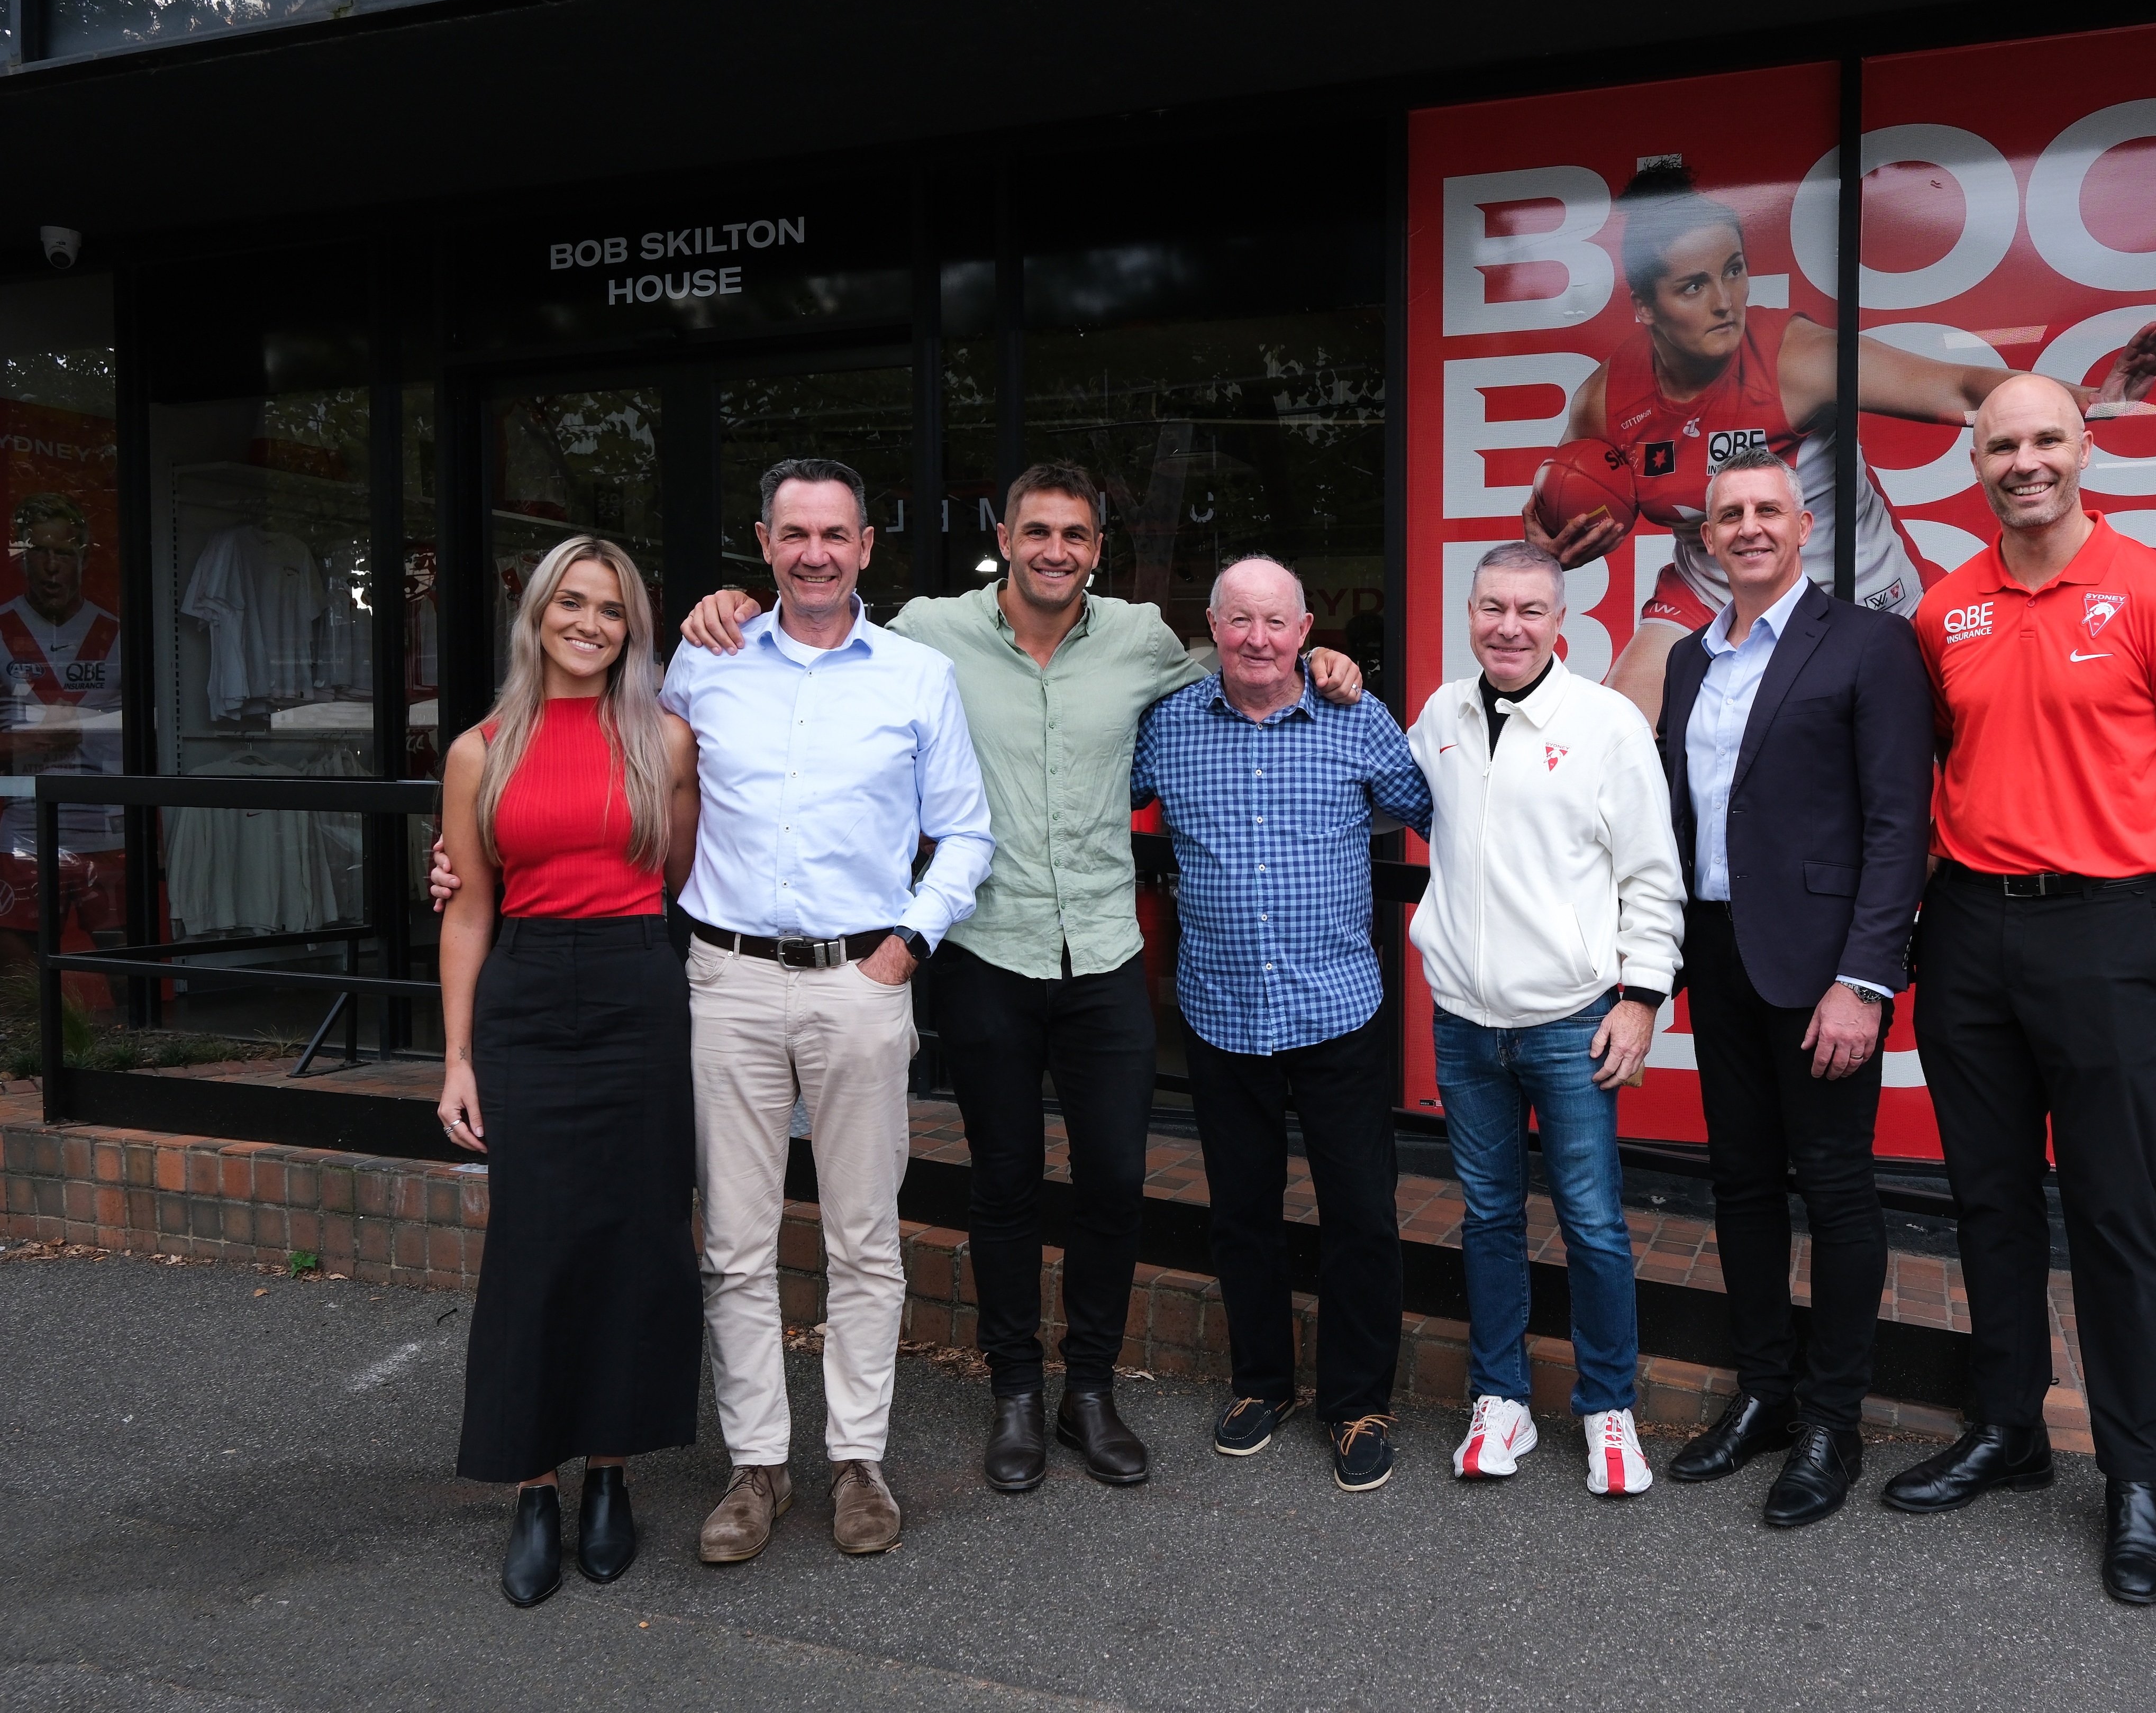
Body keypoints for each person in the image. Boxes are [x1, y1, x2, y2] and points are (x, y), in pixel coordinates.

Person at [676, 463, 1364, 1493]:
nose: (1055, 549)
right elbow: (814, 627)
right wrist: (728, 606)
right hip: (987, 952)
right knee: (1000, 1185)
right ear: (1005, 535)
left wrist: (1323, 664)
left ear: (1098, 546)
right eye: (1036, 530)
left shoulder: (1139, 642)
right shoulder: (928, 631)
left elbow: (1246, 671)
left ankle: (1089, 1389)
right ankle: (1014, 1391)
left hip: (1103, 954)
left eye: (1075, 534)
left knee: (1112, 1183)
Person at [1890, 376, 2156, 1605]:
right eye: (2002, 444)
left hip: (2105, 929)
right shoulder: (1943, 612)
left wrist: (2120, 859)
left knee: (2112, 1212)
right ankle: (2007, 1430)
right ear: (1975, 460)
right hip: (1970, 932)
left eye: (2047, 438)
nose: (2025, 460)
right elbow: (1941, 757)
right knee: (1986, 1202)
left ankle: (2137, 1481)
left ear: (2086, 448)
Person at [1527, 162, 2156, 721]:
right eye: (1694, 286)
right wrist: (1550, 543)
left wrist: (2081, 399)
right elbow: (1571, 503)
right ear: (1644, 306)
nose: (1726, 301)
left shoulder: (1794, 358)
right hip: (1711, 594)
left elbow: (1962, 390)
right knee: (1621, 735)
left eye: (1733, 270)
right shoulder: (1605, 401)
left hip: (1856, 591)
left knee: (1917, 770)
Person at [1652, 449, 1932, 1525]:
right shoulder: (1686, 660)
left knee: (1837, 1187)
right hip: (1717, 955)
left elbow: (1897, 822)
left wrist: (1865, 978)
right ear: (1709, 538)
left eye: (1771, 508)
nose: (1752, 526)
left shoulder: (1867, 643)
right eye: (1732, 513)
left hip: (1821, 969)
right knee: (1739, 1183)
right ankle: (1764, 1392)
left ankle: (1832, 1420)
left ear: (1804, 526)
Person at [436, 536, 702, 1608]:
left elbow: (680, 872)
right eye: (572, 604)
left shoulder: (667, 740)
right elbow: (465, 906)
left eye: (612, 609)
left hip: (640, 989)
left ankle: (610, 1474)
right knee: (535, 1243)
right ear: (537, 611)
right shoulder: (479, 750)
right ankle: (534, 1485)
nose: (590, 624)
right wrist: (455, 1055)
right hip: (527, 999)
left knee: (638, 1236)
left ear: (632, 627)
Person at [1130, 555, 1431, 1492]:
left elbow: (1437, 809)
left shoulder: (1357, 719)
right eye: (1238, 621)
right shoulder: (1170, 728)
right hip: (1221, 1012)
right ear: (1211, 630)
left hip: (1338, 1008)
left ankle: (1357, 1402)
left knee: (1359, 1217)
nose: (1257, 638)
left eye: (1276, 622)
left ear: (1307, 633)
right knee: (1242, 1214)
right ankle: (1262, 1381)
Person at [1408, 539, 1684, 1497]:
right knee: (1487, 1216)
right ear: (1471, 612)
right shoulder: (1440, 713)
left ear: (1562, 621)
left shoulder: (1607, 723)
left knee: (1595, 1224)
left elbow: (1653, 875)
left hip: (1572, 1022)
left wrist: (1641, 998)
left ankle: (1610, 1407)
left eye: (1531, 609)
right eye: (1493, 607)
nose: (1509, 626)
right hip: (1465, 1024)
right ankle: (1502, 1397)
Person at [0, 493, 125, 973]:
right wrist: (22, 742)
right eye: (40, 551)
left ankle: (131, 1043)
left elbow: (155, 730)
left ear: (84, 559)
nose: (52, 567)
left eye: (65, 553)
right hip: (26, 825)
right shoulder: (2, 628)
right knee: (17, 968)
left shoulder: (118, 635)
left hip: (107, 826)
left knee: (129, 965)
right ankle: (43, 1047)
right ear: (22, 557)